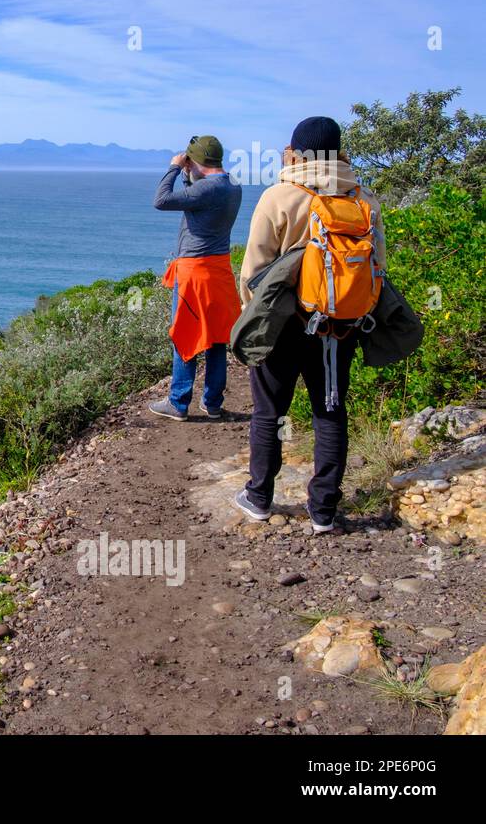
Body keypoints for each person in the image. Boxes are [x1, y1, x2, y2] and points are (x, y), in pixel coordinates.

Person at [234, 117, 387, 534]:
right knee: (330, 411)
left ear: (296, 152)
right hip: (339, 329)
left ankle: (259, 497)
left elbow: (254, 270)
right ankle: (323, 510)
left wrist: (254, 319)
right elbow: (378, 270)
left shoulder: (280, 196)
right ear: (338, 152)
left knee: (269, 411)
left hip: (284, 325)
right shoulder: (364, 199)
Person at [149, 135, 243, 421]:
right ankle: (212, 402)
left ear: (197, 160)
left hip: (194, 273)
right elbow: (198, 197)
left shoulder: (207, 190)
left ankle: (178, 403)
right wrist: (192, 173)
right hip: (220, 270)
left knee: (186, 333)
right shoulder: (232, 186)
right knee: (217, 336)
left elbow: (161, 200)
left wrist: (175, 168)